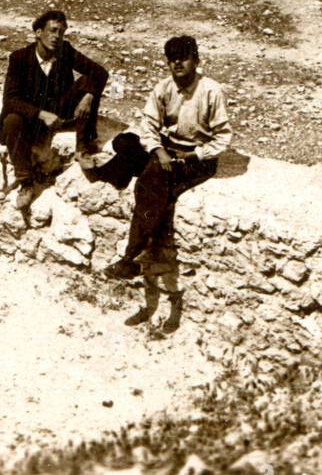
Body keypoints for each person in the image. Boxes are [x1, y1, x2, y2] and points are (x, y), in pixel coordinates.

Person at [98, 36, 231, 315]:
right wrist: (158, 150)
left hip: (196, 158)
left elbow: (223, 138)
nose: (177, 64)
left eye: (183, 57)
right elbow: (149, 125)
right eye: (171, 58)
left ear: (196, 59)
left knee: (150, 180)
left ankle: (133, 255)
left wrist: (194, 155)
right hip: (168, 151)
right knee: (128, 143)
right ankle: (144, 245)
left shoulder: (210, 91)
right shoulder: (164, 88)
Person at [0, 9, 108, 210]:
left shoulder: (64, 51)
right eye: (52, 30)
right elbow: (10, 100)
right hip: (28, 119)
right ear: (38, 33)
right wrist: (40, 114)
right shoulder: (19, 58)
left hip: (58, 112)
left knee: (87, 83)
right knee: (11, 120)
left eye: (61, 32)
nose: (57, 37)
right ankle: (26, 182)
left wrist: (89, 95)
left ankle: (82, 150)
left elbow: (99, 72)